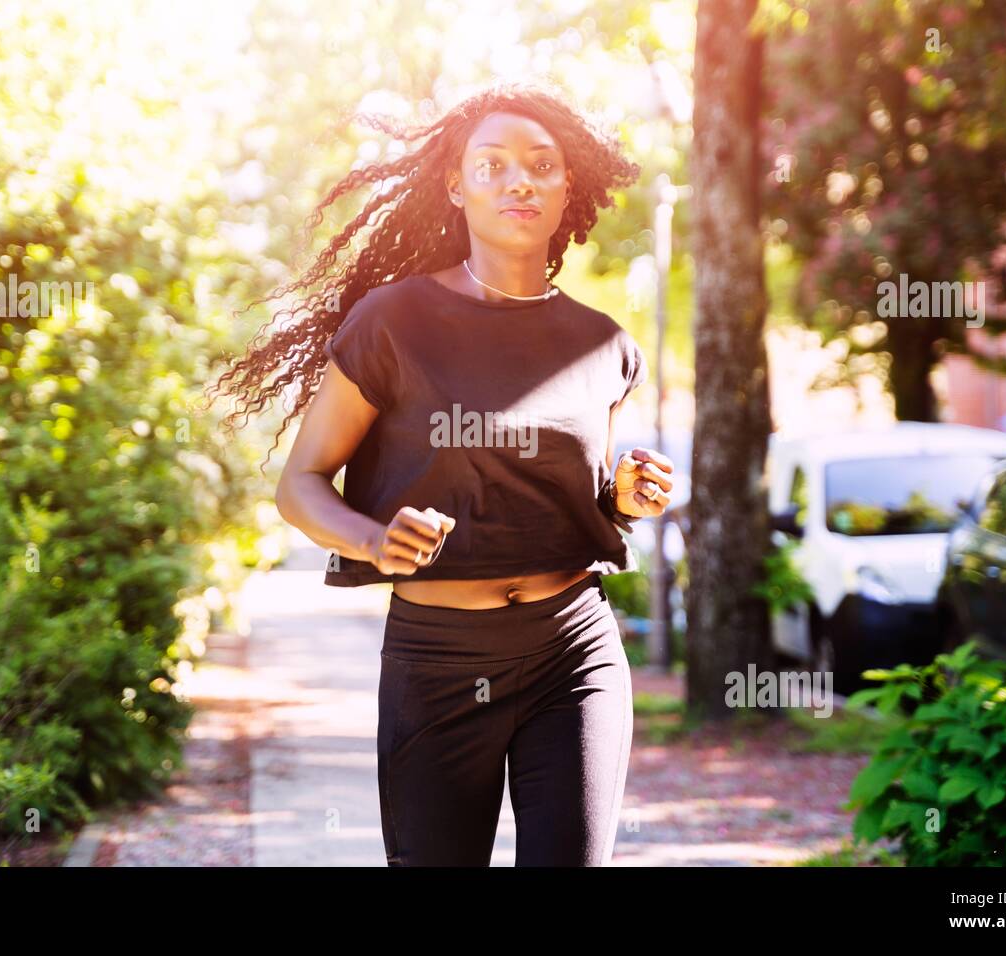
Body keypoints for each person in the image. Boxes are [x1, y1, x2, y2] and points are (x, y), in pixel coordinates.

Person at [206, 80, 673, 866]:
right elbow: (302, 483)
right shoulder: (394, 322)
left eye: (542, 164)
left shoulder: (604, 346)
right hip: (440, 659)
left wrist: (622, 499)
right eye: (490, 165)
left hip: (574, 647)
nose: (518, 180)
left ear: (569, 188)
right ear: (454, 186)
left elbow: (566, 498)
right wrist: (374, 538)